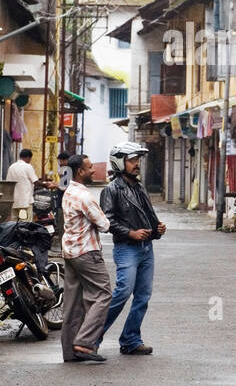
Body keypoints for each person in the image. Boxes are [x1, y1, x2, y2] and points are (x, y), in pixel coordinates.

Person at [98, 141, 167, 356]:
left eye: (137, 160)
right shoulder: (111, 189)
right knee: (123, 292)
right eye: (132, 160)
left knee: (143, 296)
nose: (137, 164)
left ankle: (130, 340)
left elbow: (147, 215)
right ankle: (91, 338)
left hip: (146, 249)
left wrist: (158, 228)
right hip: (127, 248)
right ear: (120, 162)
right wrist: (131, 233)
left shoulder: (138, 187)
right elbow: (107, 221)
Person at [60, 154, 111, 365]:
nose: (93, 171)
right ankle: (85, 341)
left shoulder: (68, 191)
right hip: (87, 253)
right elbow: (104, 224)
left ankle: (70, 351)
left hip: (70, 252)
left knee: (72, 303)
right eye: (89, 168)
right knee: (103, 294)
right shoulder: (84, 196)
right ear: (80, 171)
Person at [7, 148, 38, 220]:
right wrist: (45, 184)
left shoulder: (11, 167)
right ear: (28, 157)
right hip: (25, 202)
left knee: (14, 224)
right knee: (25, 224)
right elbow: (35, 181)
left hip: (14, 202)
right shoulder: (27, 166)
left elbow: (8, 183)